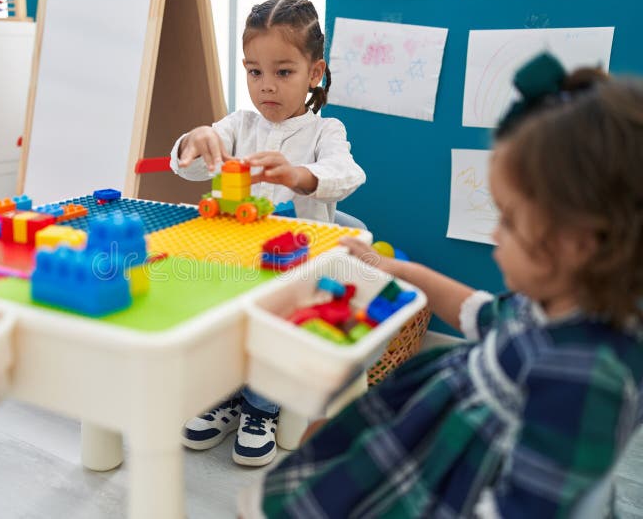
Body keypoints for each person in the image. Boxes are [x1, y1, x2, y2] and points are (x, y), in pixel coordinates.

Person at [239, 53, 643, 516]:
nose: (495, 235)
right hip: (431, 431)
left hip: (449, 483)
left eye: (509, 221)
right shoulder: (557, 303)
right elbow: (481, 312)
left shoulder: (589, 375)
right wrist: (394, 270)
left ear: (580, 241)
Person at [171, 0, 366, 467]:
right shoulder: (239, 125)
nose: (267, 87)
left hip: (298, 266)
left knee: (273, 329)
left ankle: (261, 408)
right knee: (228, 326)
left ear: (314, 73)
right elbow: (192, 168)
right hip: (237, 260)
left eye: (283, 72)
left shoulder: (326, 132)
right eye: (255, 73)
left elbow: (348, 173)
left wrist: (298, 175)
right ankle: (225, 397)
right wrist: (195, 141)